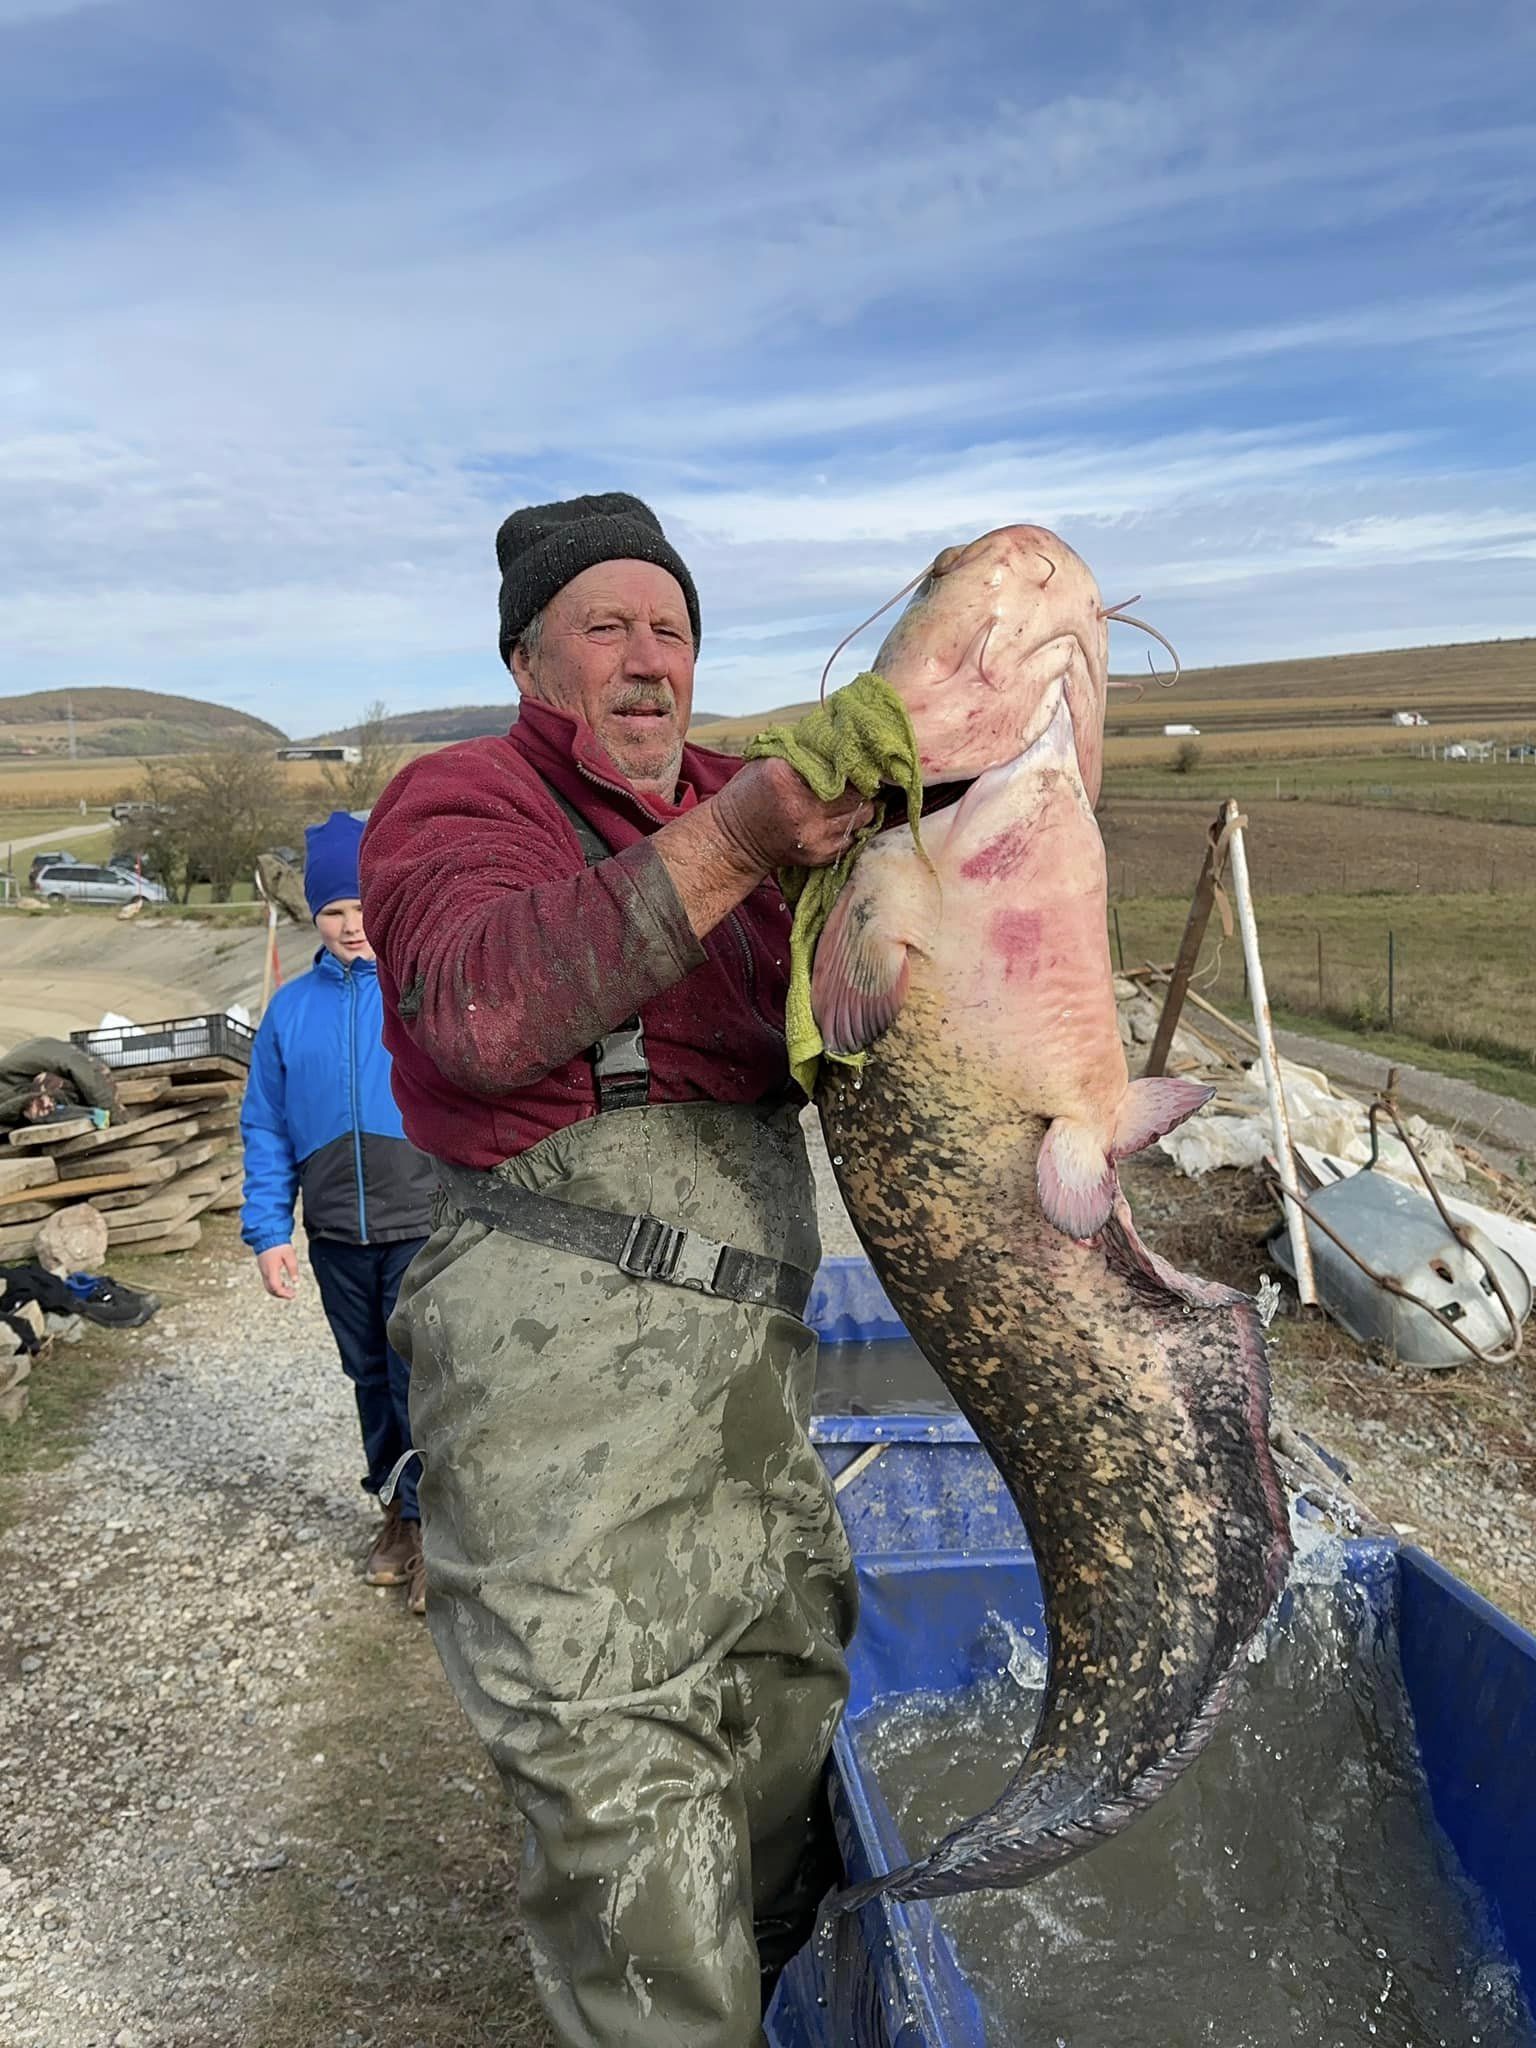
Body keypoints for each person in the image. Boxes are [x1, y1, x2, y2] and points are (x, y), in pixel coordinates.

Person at [360, 493, 874, 2047]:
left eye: (674, 627)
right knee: (620, 1796)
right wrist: (733, 847)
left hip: (752, 1380)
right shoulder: (458, 801)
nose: (649, 657)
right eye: (608, 626)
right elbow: (472, 1011)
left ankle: (771, 2002)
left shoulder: (759, 795)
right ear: (531, 656)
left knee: (780, 1722)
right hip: (550, 1378)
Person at [240, 811, 436, 1611]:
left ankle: (436, 1529)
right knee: (367, 1378)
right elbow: (264, 1122)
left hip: (422, 1222)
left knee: (420, 1377)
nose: (352, 926)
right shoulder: (287, 1014)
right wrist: (267, 1233)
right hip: (335, 1236)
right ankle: (396, 1513)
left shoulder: (421, 986)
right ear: (312, 916)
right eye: (334, 911)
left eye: (362, 905)